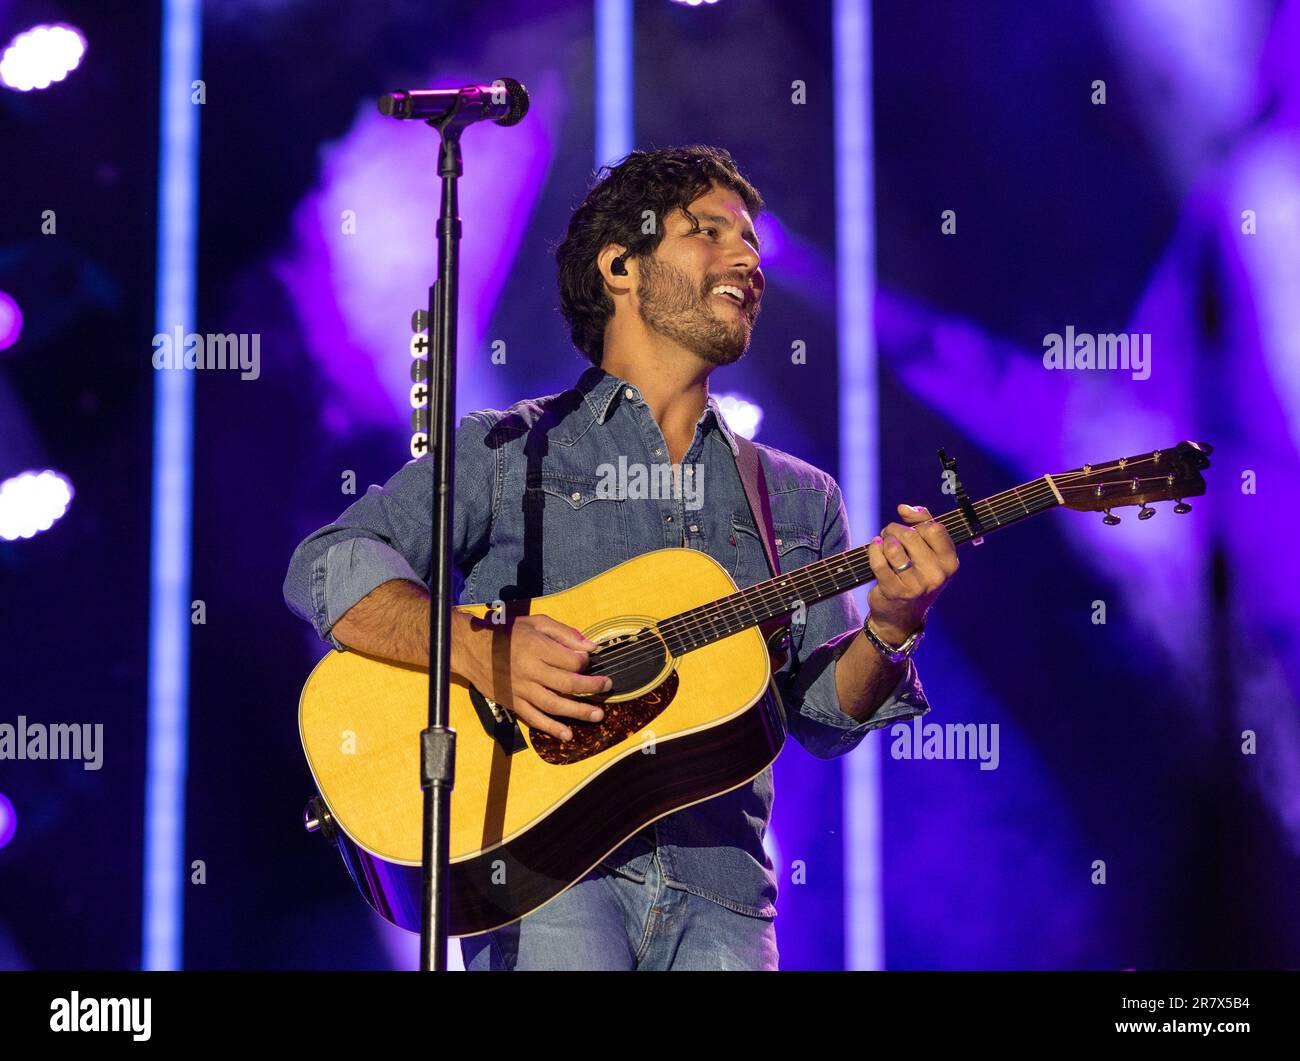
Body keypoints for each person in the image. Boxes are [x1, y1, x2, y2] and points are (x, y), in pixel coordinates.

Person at [283, 145, 959, 970]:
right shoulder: (505, 451)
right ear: (619, 265)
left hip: (726, 899)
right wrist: (479, 649)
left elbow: (820, 717)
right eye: (708, 232)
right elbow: (329, 563)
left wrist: (891, 628)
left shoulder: (798, 495)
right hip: (545, 880)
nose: (747, 257)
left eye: (750, 240)